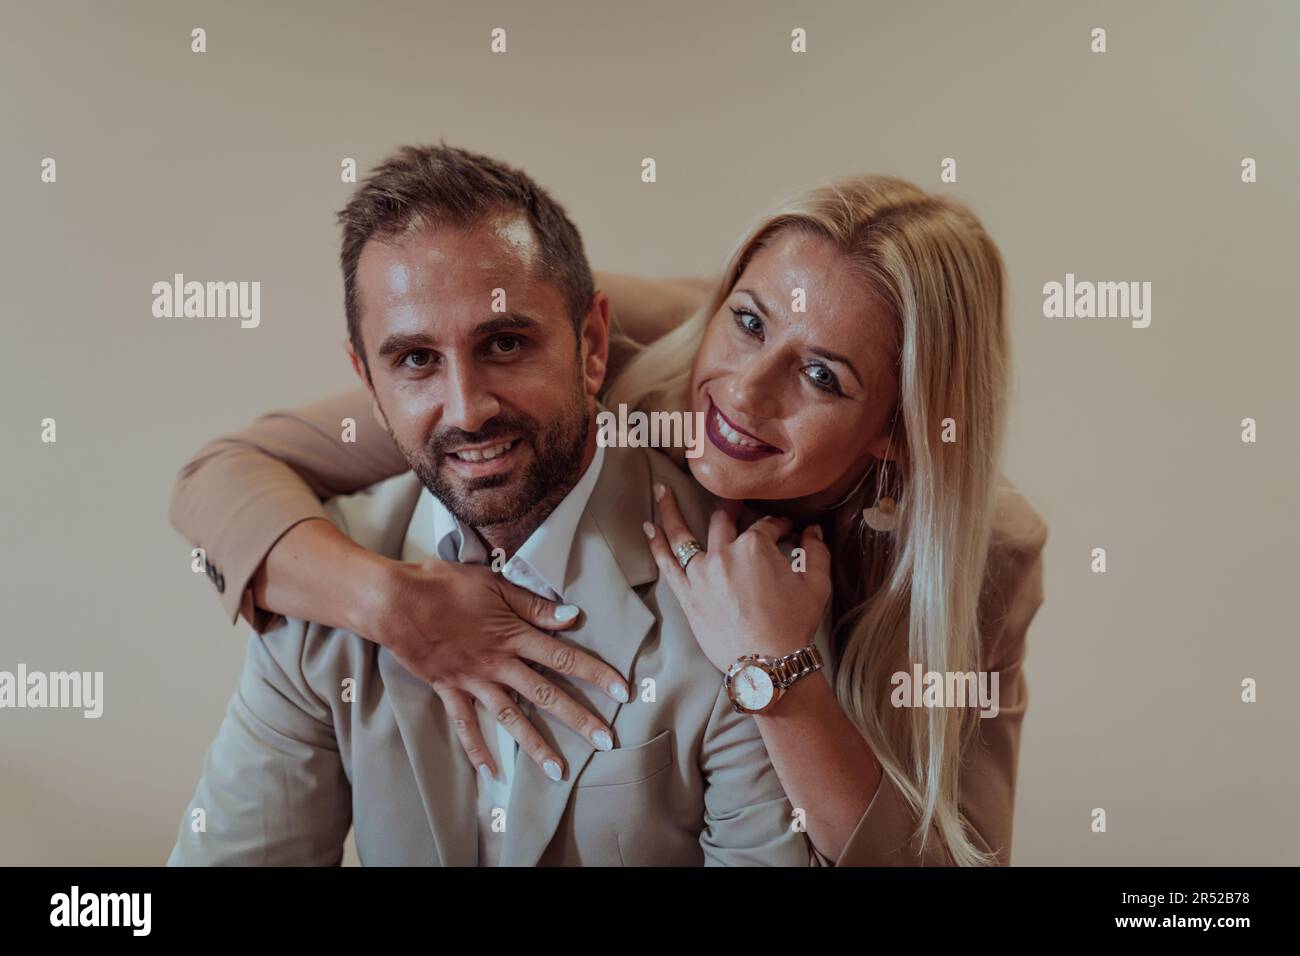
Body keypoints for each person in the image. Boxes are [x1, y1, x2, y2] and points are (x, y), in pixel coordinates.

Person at [172, 164, 1048, 866]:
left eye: (822, 376)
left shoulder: (985, 557)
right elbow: (223, 476)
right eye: (745, 322)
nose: (741, 393)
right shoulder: (626, 341)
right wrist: (393, 606)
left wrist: (773, 674)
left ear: (901, 428)